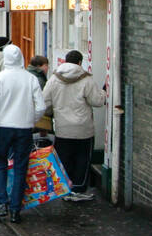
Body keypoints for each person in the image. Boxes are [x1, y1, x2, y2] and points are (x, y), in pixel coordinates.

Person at [0, 43, 45, 225]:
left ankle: (2, 205)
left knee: (0, 164)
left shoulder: (0, 78)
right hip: (24, 129)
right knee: (20, 168)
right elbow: (40, 106)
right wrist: (31, 120)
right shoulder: (30, 79)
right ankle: (16, 210)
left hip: (4, 128)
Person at [43, 49, 107, 202]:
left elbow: (44, 103)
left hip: (62, 129)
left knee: (64, 159)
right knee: (82, 159)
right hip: (83, 129)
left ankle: (65, 189)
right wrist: (105, 92)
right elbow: (97, 101)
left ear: (65, 61)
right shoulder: (86, 79)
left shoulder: (54, 79)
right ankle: (78, 189)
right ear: (80, 62)